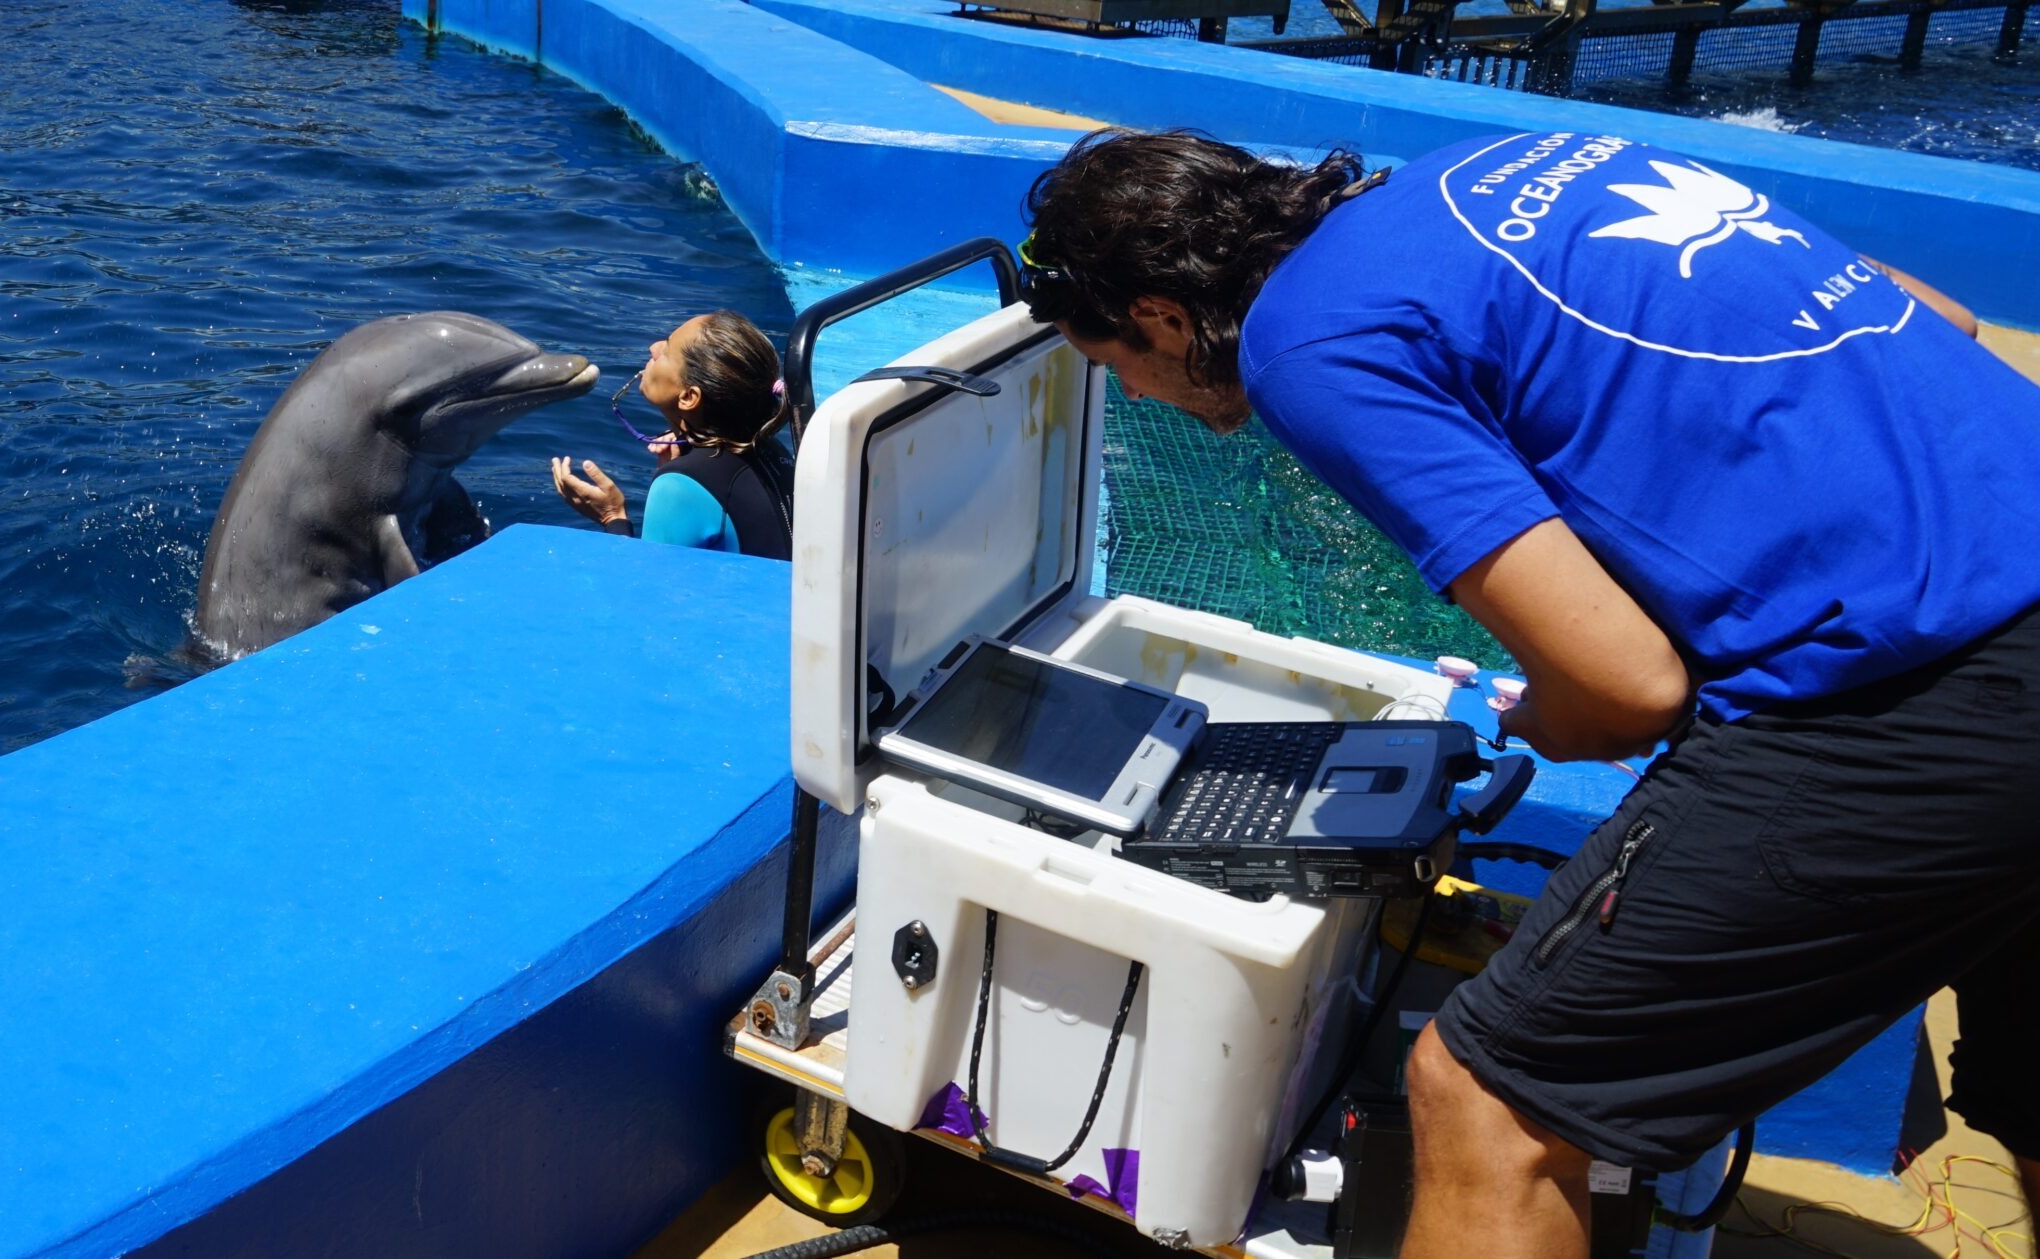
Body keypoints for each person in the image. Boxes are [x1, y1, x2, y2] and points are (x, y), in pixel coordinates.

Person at [1019, 127, 2040, 1257]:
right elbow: (1938, 318)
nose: (1143, 396)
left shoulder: (1302, 343)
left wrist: (1543, 716)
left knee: (1487, 1100)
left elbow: (1627, 688)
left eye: (1114, 365)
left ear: (1161, 315)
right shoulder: (1526, 153)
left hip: (1925, 693)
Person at [552, 309, 793, 561]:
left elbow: (648, 590)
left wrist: (613, 518)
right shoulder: (771, 449)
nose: (653, 347)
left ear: (689, 397)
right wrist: (688, 446)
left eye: (666, 351)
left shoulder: (679, 486)